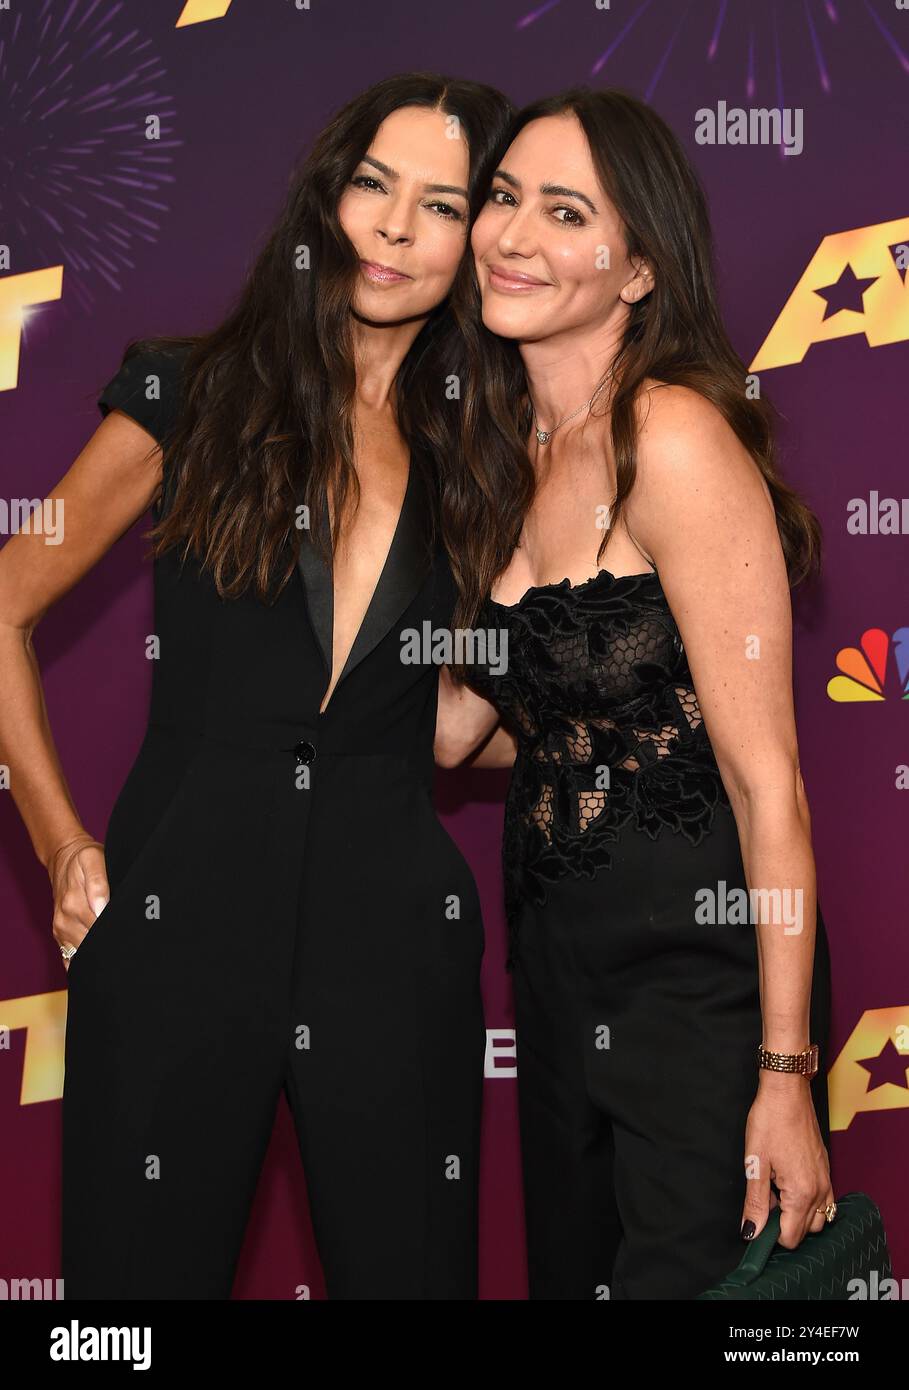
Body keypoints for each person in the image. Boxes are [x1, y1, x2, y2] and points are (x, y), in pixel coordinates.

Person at [0, 72, 513, 1299]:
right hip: (178, 917)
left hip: (393, 941)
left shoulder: (487, 453)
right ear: (327, 195)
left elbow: (456, 727)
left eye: (440, 205)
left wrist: (619, 738)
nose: (395, 228)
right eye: (374, 185)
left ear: (478, 241)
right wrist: (63, 843)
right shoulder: (189, 392)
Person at [435, 87, 834, 1300]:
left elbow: (770, 786)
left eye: (564, 212)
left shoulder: (671, 438)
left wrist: (784, 1073)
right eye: (502, 198)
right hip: (557, 977)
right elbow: (458, 733)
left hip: (698, 988)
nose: (512, 235)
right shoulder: (504, 458)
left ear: (640, 270)